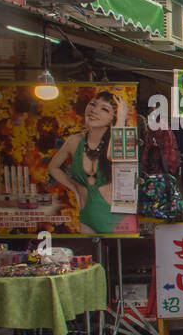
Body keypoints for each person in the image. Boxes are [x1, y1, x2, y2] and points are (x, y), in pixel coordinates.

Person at [46, 89, 126, 234]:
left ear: (111, 120)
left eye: (104, 109)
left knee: (120, 256)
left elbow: (116, 157)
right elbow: (53, 167)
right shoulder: (74, 141)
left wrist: (120, 120)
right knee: (89, 256)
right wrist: (73, 187)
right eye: (93, 104)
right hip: (87, 216)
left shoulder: (117, 142)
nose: (94, 111)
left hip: (116, 218)